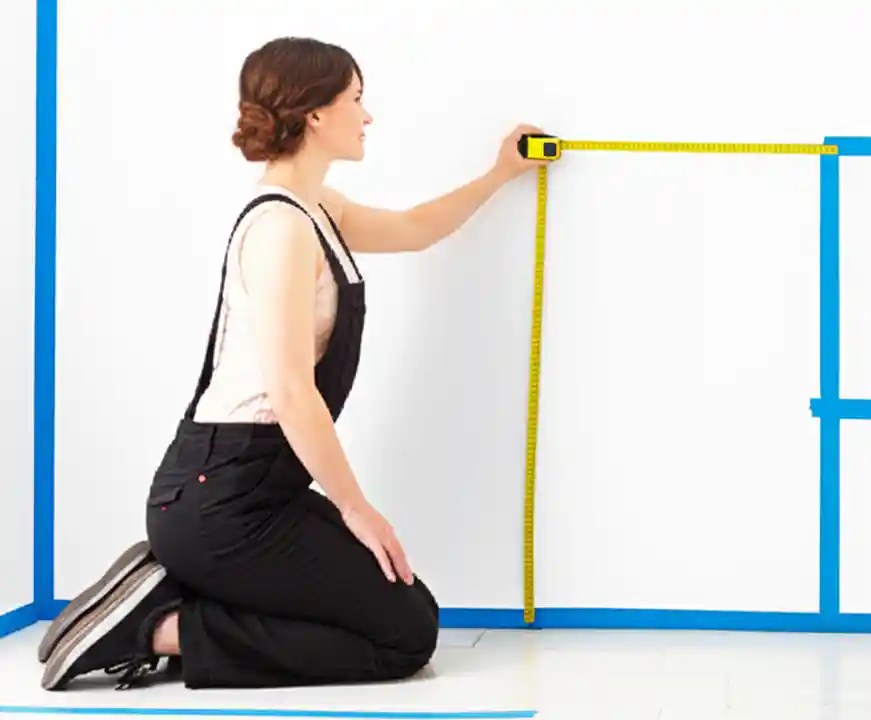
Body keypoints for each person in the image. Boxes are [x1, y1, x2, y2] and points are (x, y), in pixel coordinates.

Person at [37, 36, 548, 691]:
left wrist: (500, 173)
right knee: (404, 639)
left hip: (255, 486)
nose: (368, 116)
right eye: (356, 99)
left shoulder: (314, 207)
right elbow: (289, 391)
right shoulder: (280, 228)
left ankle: (159, 587)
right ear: (315, 115)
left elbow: (417, 228)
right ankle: (153, 627)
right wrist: (357, 508)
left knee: (409, 612)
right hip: (221, 498)